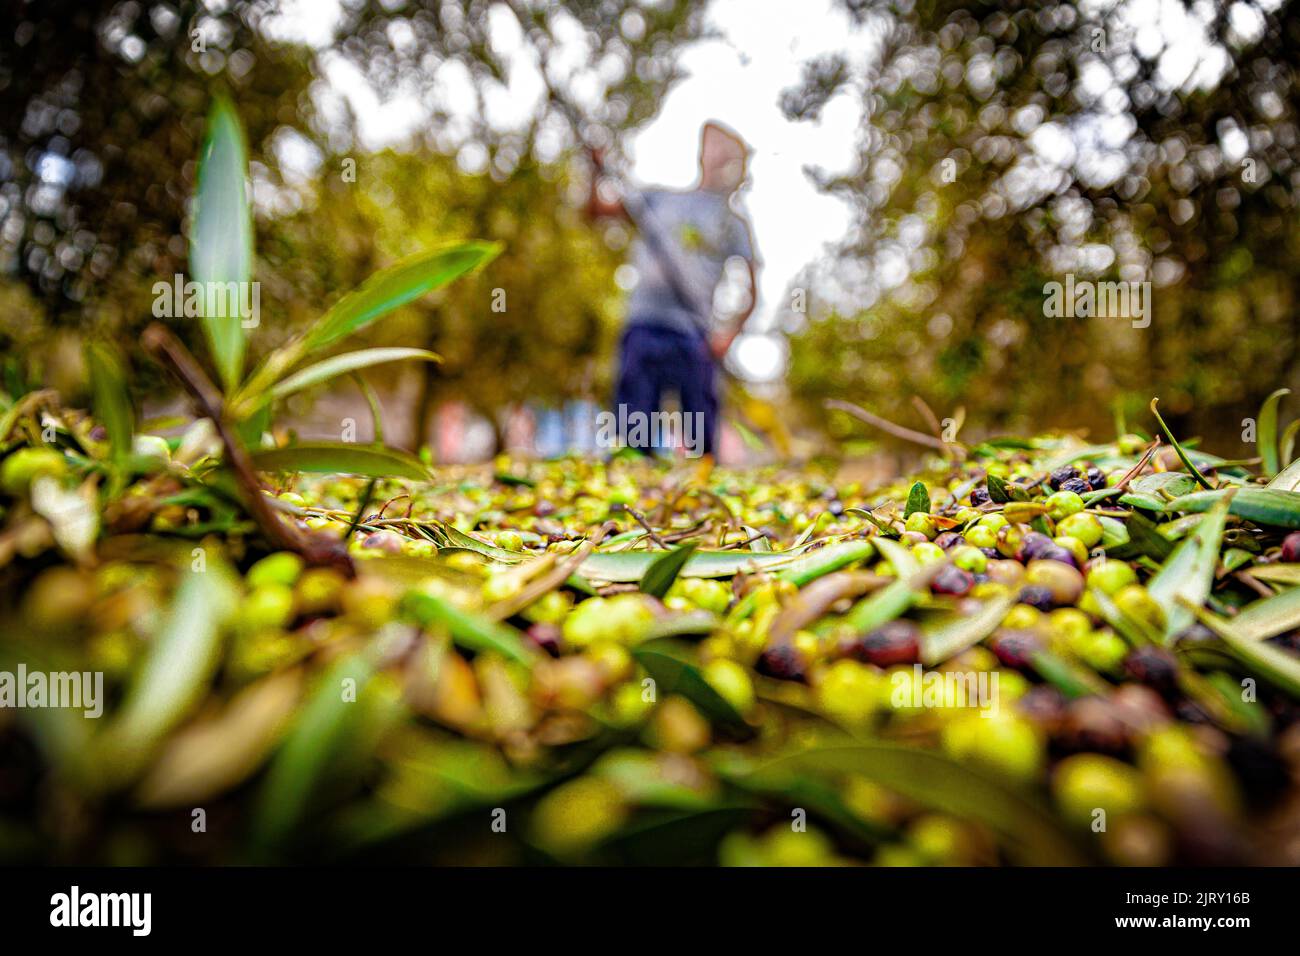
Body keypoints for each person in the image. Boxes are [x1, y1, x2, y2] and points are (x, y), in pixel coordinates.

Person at [586, 121, 759, 458]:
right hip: (643, 327)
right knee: (633, 433)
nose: (721, 156)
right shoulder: (659, 200)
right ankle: (632, 496)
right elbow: (596, 212)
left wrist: (729, 334)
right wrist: (594, 169)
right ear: (702, 155)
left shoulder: (732, 222)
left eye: (729, 151)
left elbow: (753, 287)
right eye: (714, 147)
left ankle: (704, 500)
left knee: (701, 439)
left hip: (694, 334)